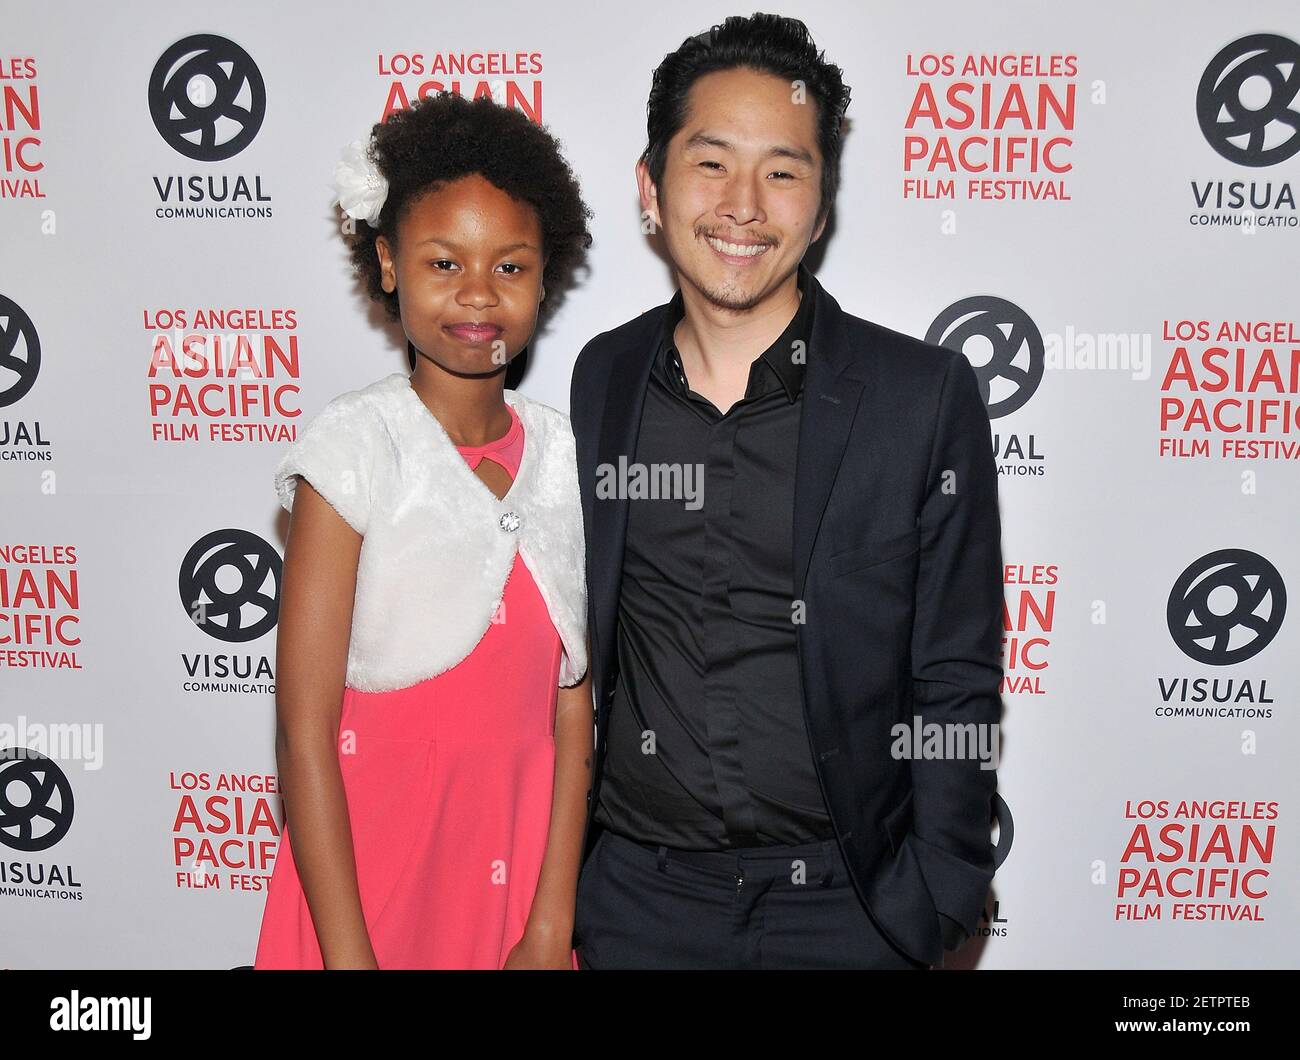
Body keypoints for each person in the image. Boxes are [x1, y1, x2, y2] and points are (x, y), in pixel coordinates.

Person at [569, 14, 1004, 969]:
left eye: (783, 169)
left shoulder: (919, 399)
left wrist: (940, 891)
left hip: (850, 906)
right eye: (711, 162)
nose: (743, 205)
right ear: (652, 185)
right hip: (640, 902)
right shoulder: (602, 379)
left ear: (822, 202)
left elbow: (957, 675)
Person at [253, 91, 594, 970]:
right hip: (361, 897)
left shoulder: (560, 454)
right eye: (444, 262)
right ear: (389, 263)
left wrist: (550, 925)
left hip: (514, 892)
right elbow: (304, 731)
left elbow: (571, 712)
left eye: (510, 267)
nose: (477, 294)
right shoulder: (355, 445)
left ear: (544, 275)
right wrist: (350, 961)